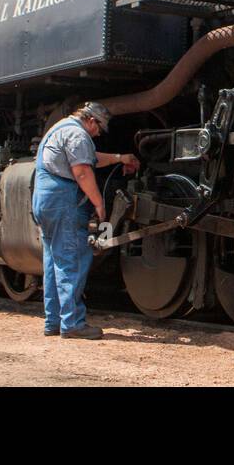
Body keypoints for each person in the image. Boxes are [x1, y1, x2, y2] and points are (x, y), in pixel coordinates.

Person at [32, 101, 139, 339]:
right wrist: (98, 202)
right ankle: (72, 324)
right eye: (99, 128)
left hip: (46, 200)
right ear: (91, 120)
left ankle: (54, 322)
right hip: (63, 203)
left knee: (54, 261)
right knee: (73, 259)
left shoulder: (61, 128)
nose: (99, 134)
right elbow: (82, 170)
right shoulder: (78, 135)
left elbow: (91, 158)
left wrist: (120, 158)